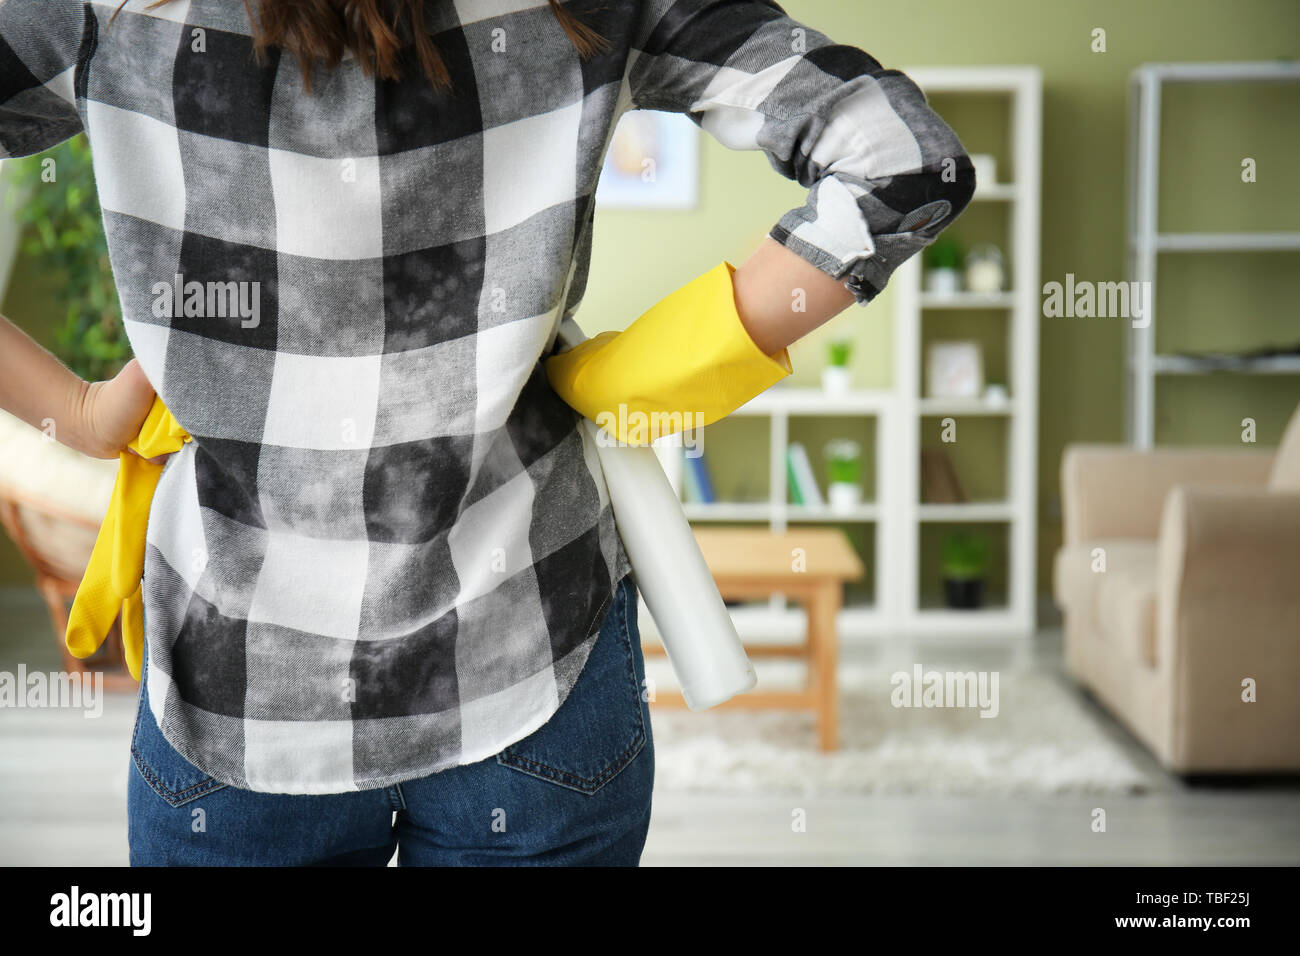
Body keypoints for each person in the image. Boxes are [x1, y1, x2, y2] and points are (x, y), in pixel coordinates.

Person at [0, 0, 974, 865]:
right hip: (529, 661)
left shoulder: (104, 12)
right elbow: (904, 161)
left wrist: (80, 412)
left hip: (242, 692)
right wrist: (672, 363)